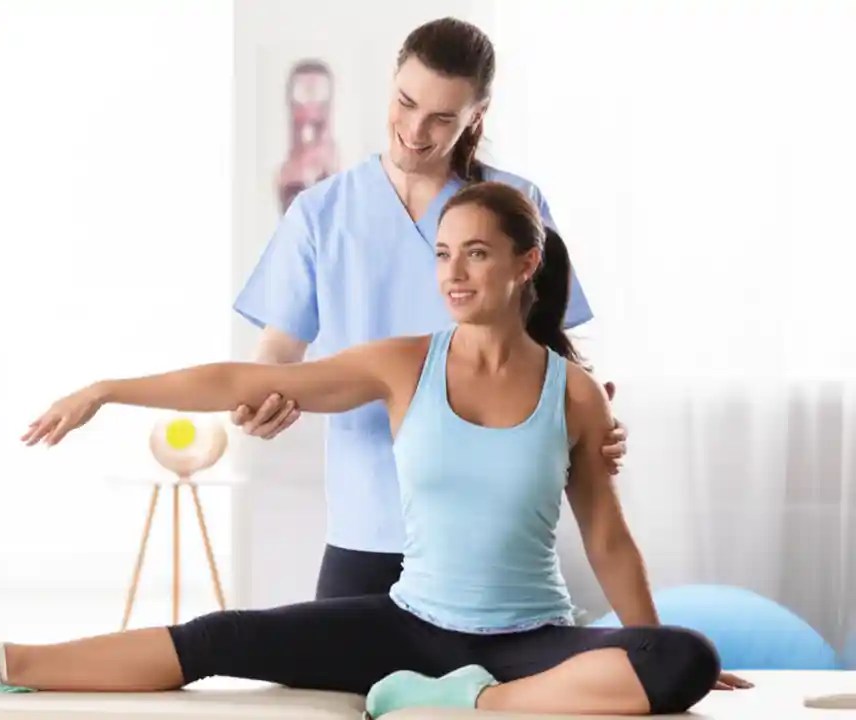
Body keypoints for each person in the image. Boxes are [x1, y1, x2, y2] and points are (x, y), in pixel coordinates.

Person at [0, 182, 752, 716]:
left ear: (526, 264)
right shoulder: (403, 365)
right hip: (408, 626)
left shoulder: (573, 392)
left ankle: (469, 703)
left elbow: (607, 539)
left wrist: (647, 648)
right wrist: (109, 389)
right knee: (220, 635)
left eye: (477, 254)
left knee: (686, 657)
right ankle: (4, 662)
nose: (454, 274)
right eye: (443, 254)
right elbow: (243, 376)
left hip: (529, 638)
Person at [230, 17, 629, 601]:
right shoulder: (321, 213)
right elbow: (278, 349)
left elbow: (550, 347)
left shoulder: (516, 203)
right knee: (336, 662)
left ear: (476, 115)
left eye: (442, 117)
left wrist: (594, 421)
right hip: (367, 523)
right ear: (391, 83)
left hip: (489, 530)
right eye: (406, 102)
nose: (416, 131)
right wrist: (259, 399)